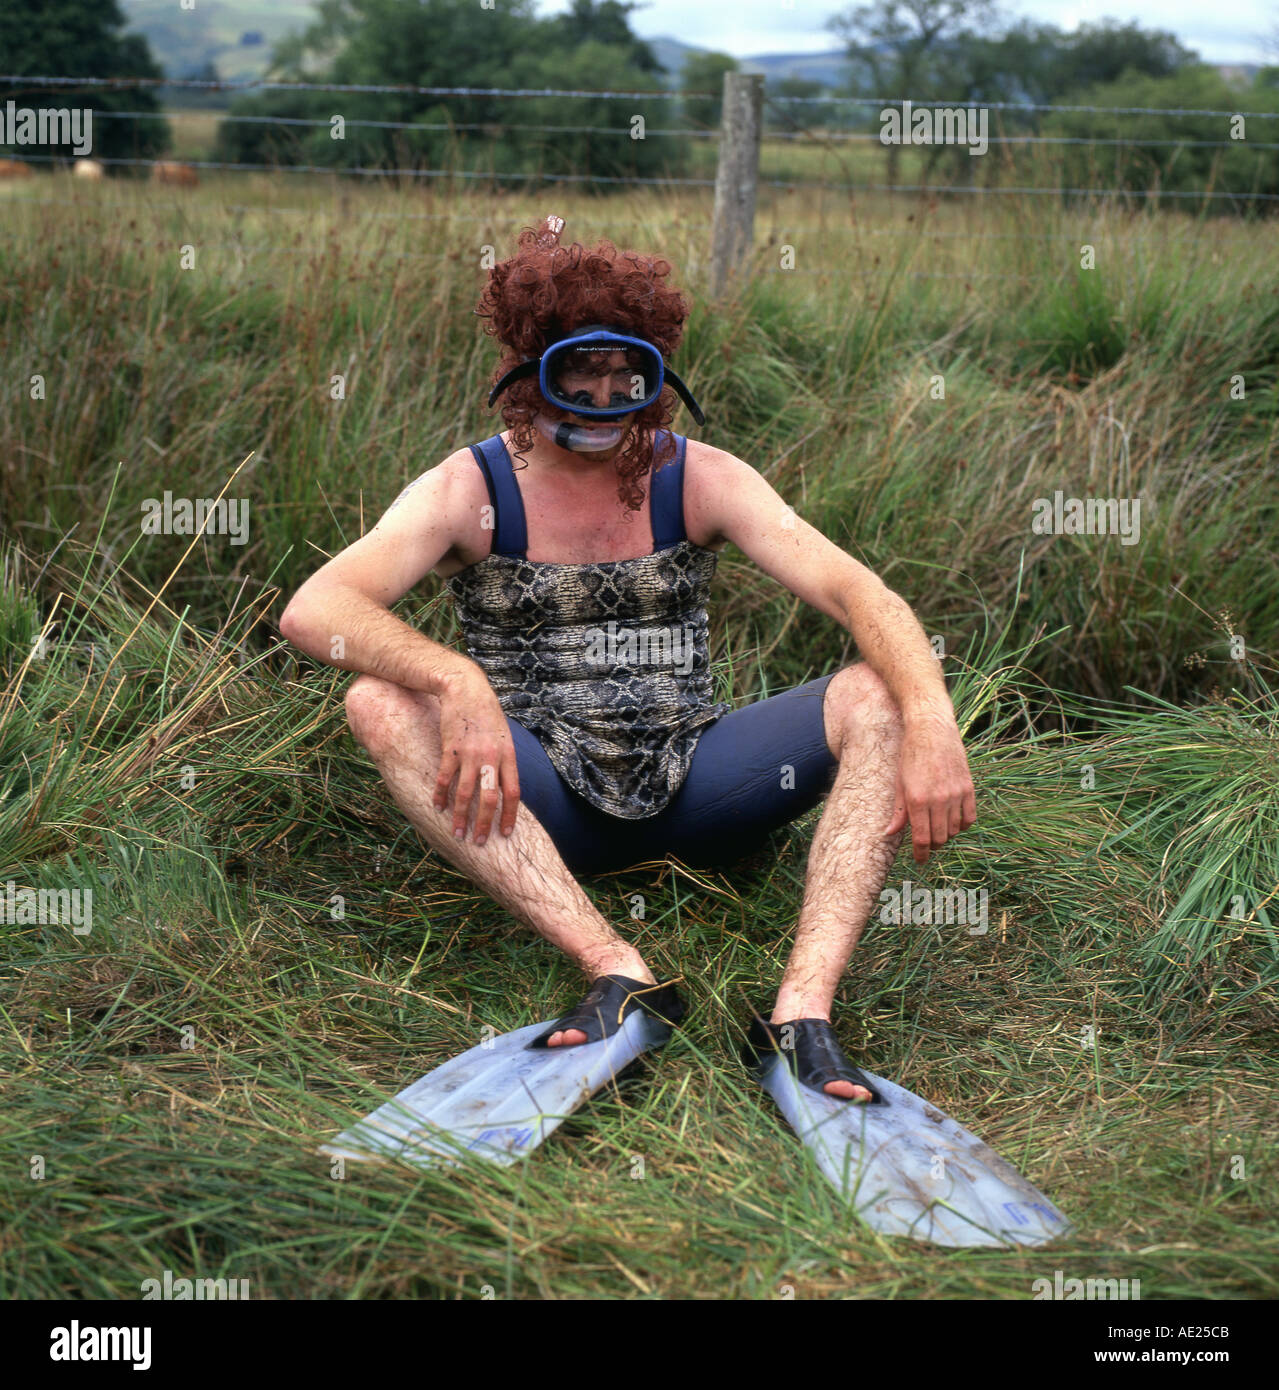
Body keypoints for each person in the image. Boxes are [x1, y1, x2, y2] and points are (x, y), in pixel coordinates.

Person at [280, 215, 977, 1102]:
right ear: (528, 373)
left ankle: (801, 1014)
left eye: (626, 373)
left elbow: (858, 594)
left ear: (656, 373)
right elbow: (315, 609)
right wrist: (453, 679)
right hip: (537, 804)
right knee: (378, 702)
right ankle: (620, 972)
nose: (603, 398)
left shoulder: (700, 477)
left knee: (879, 694)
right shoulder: (468, 489)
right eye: (579, 370)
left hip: (699, 786)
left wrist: (930, 718)